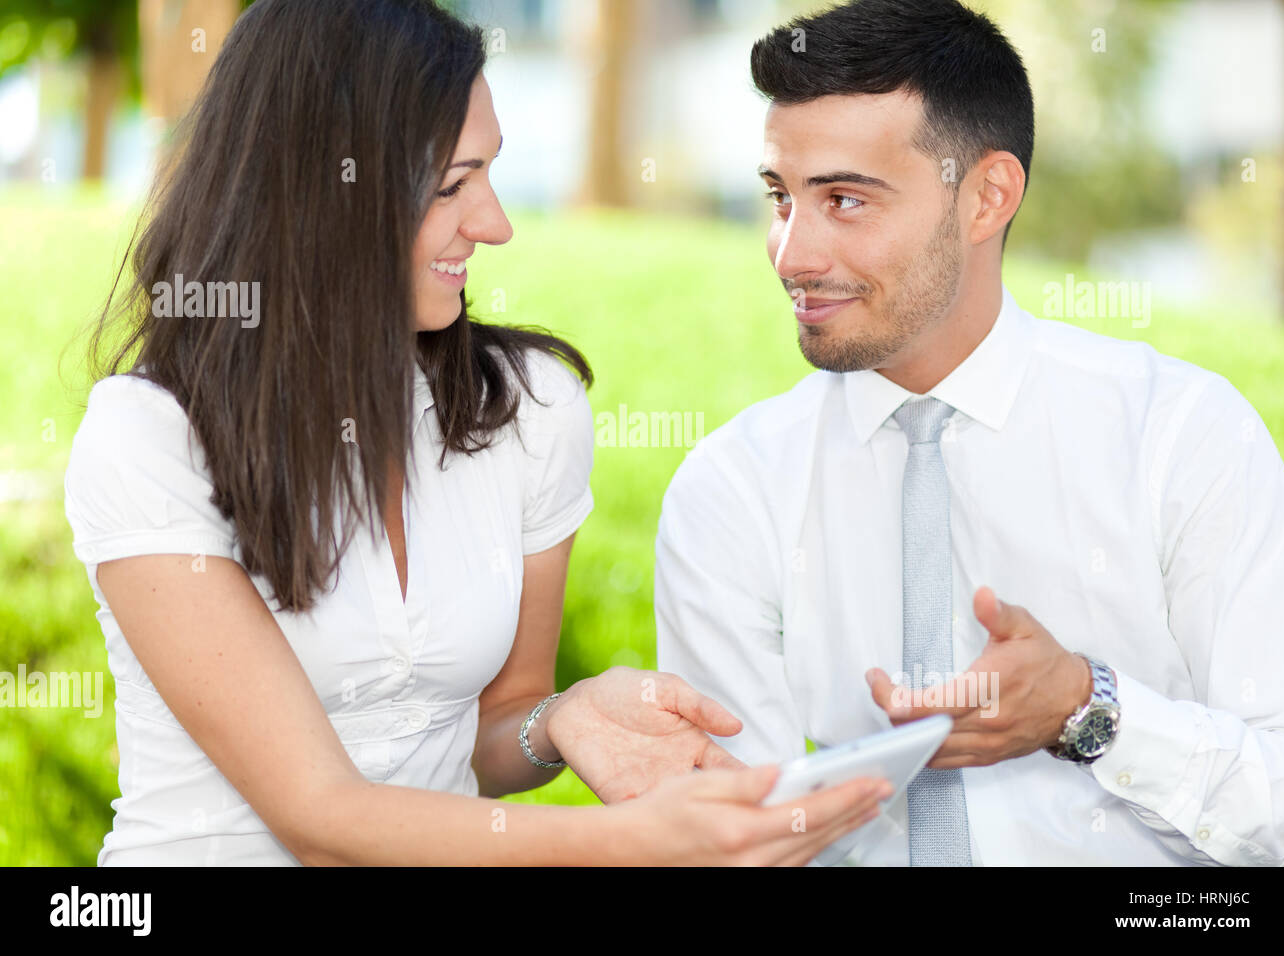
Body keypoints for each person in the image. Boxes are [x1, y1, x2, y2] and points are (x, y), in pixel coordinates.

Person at [62, 0, 889, 866]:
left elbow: (492, 731)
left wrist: (556, 722)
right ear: (322, 191)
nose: (494, 223)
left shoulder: (531, 408)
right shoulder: (152, 437)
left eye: (490, 175)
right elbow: (317, 810)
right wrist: (630, 843)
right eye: (452, 185)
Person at [655, 0, 1284, 866]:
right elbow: (735, 833)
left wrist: (1088, 710)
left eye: (845, 200)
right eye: (782, 198)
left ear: (987, 196)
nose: (792, 254)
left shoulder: (1180, 436)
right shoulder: (731, 487)